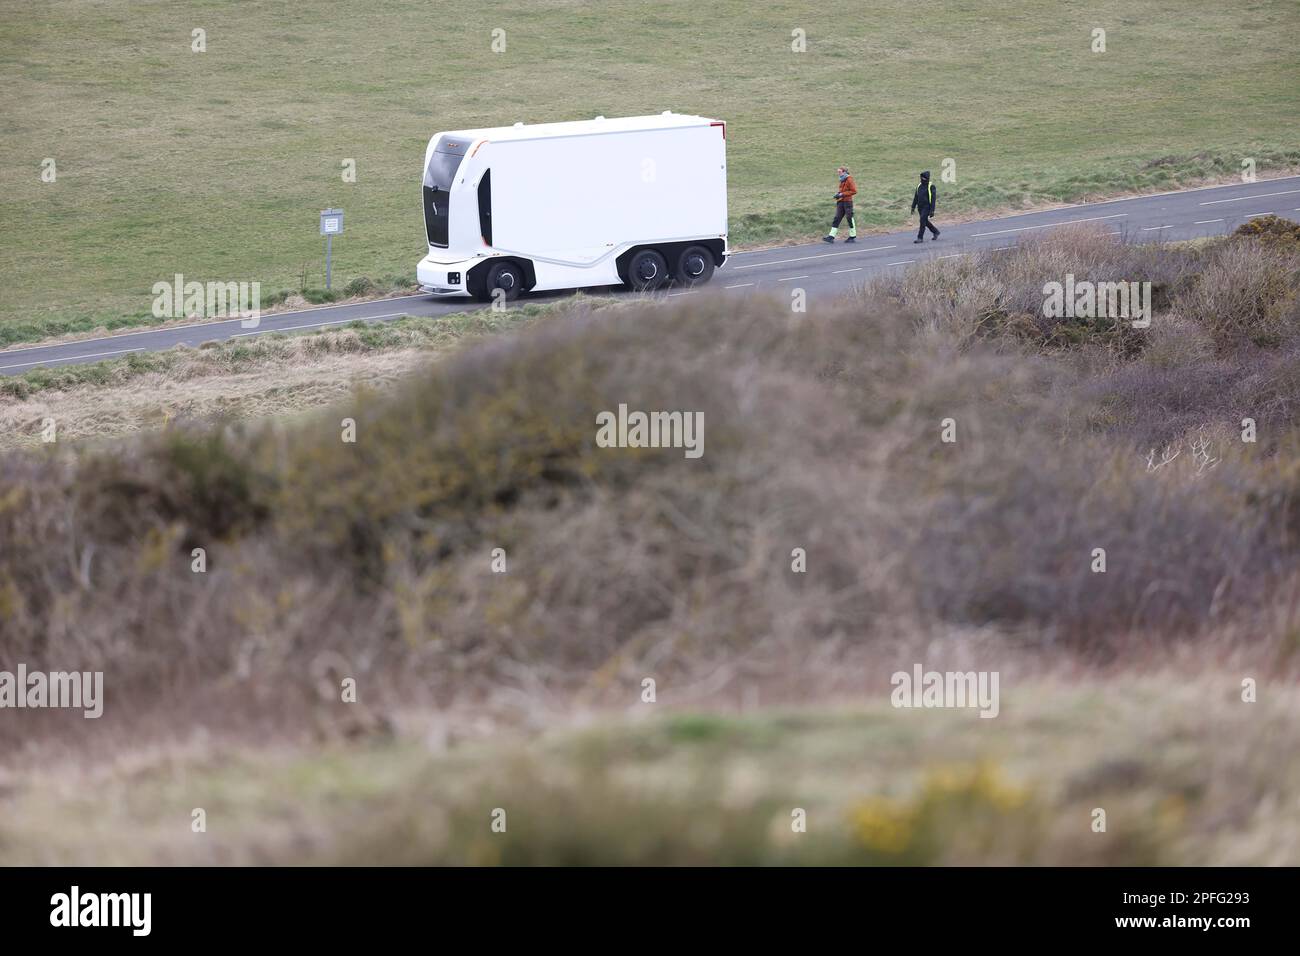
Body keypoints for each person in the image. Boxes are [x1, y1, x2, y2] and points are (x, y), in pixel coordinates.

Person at [823, 166, 857, 243]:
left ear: (844, 172)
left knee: (849, 218)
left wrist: (842, 194)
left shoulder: (849, 179)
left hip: (848, 202)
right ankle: (831, 237)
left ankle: (852, 236)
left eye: (839, 172)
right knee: (837, 218)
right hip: (841, 202)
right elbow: (843, 191)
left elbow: (854, 191)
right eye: (838, 172)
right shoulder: (842, 179)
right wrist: (838, 194)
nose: (838, 173)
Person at [911, 170, 940, 243]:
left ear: (926, 178)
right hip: (920, 208)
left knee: (922, 221)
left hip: (927, 207)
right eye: (921, 178)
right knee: (925, 221)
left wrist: (932, 210)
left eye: (923, 178)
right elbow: (916, 197)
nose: (921, 179)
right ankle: (935, 231)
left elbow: (933, 199)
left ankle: (920, 238)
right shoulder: (919, 186)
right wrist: (913, 207)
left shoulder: (931, 187)